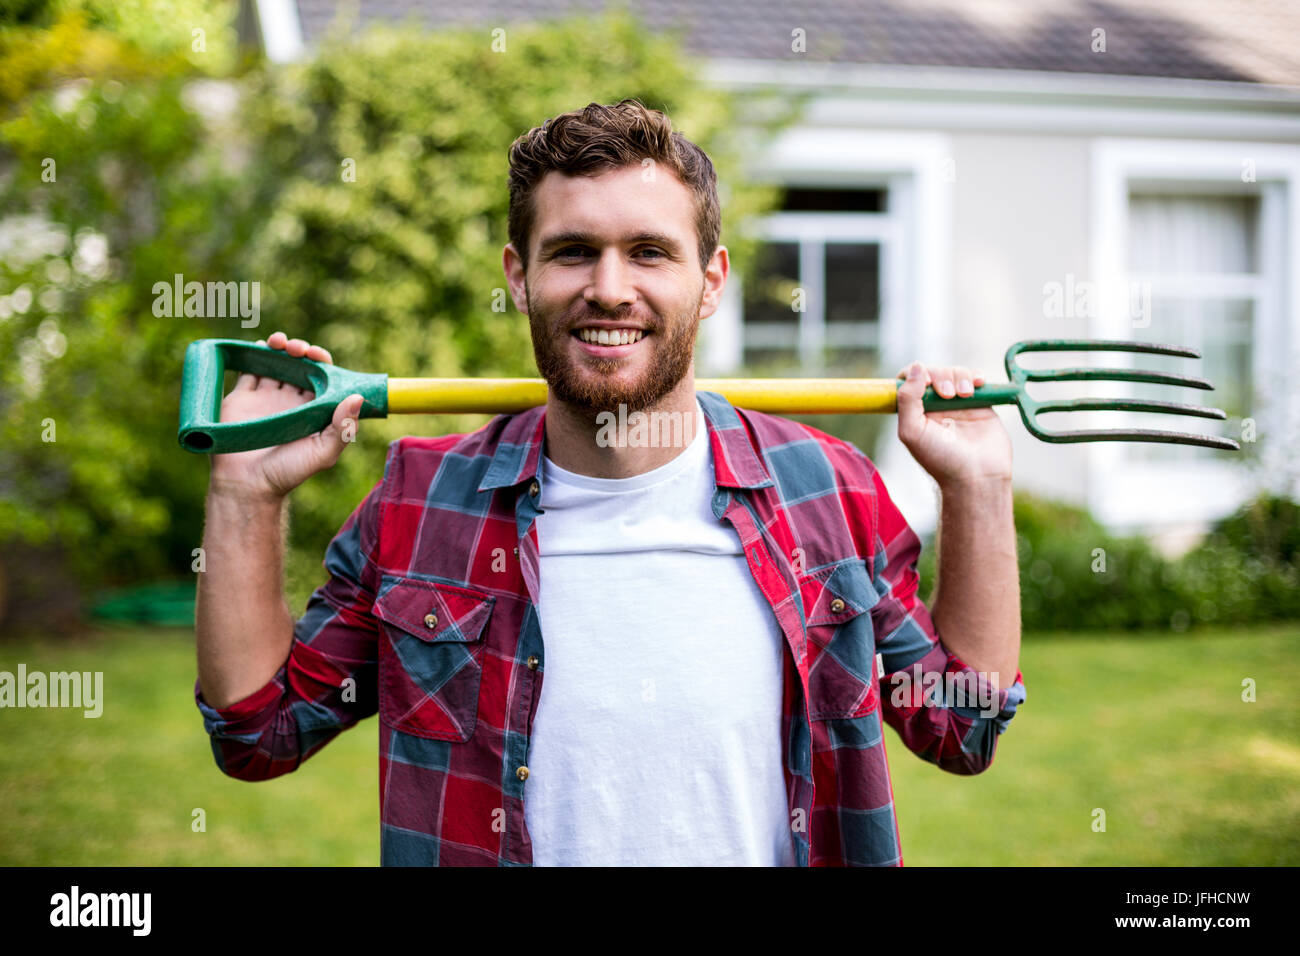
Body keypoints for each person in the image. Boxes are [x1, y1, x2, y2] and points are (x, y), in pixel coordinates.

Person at [194, 99, 1025, 866]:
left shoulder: (825, 491)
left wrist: (979, 489)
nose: (610, 289)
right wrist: (244, 495)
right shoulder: (423, 501)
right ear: (519, 276)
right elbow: (259, 733)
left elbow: (963, 723)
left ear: (711, 282)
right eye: (574, 252)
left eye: (650, 253)